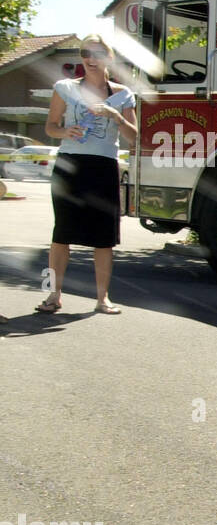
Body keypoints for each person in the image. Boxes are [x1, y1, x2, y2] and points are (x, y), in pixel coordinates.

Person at [36, 34, 137, 315]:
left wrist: (115, 116)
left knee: (103, 237)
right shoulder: (65, 88)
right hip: (70, 166)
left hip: (103, 167)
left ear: (109, 57)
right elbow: (50, 127)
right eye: (85, 53)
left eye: (97, 54)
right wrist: (64, 131)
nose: (91, 60)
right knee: (61, 234)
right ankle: (52, 295)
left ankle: (102, 298)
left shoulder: (122, 94)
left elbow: (134, 137)